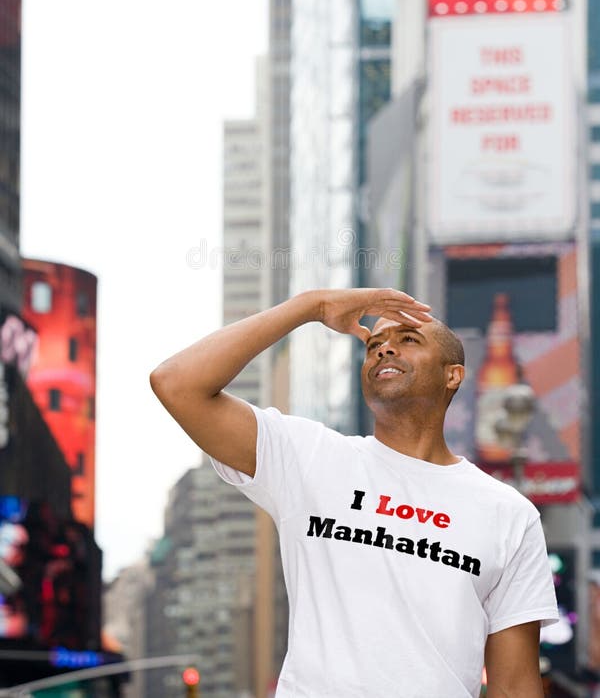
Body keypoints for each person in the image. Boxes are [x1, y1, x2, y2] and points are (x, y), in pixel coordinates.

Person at [150, 287, 558, 698]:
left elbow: (514, 686)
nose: (384, 350)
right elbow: (176, 383)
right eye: (374, 345)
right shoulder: (310, 458)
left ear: (453, 374)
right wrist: (313, 305)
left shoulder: (509, 514)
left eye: (408, 339)